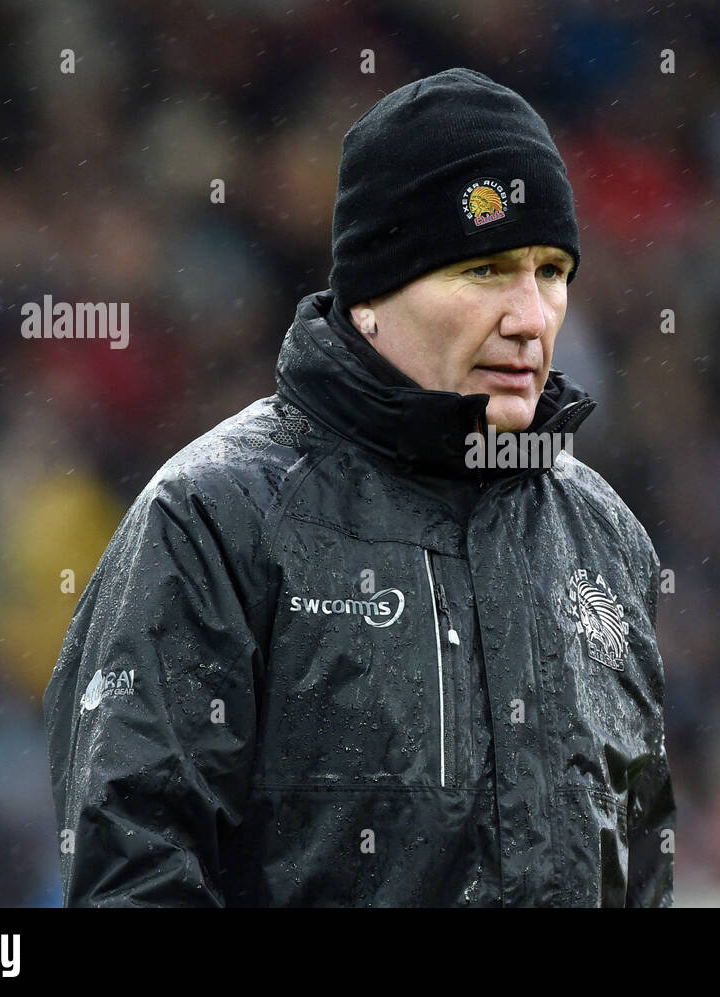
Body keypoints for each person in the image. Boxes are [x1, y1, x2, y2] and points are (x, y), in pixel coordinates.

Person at [42, 67, 675, 907]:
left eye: (551, 270)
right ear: (372, 293)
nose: (532, 316)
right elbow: (136, 874)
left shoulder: (607, 538)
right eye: (485, 269)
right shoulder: (212, 520)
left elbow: (645, 872)